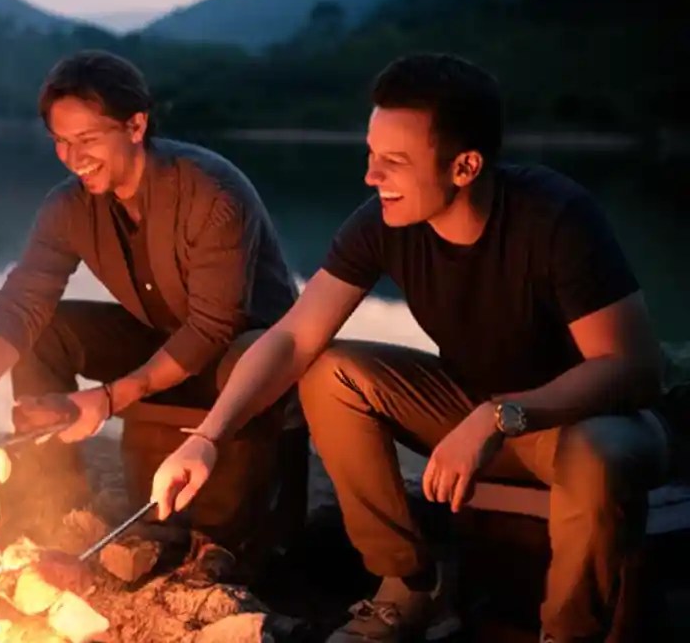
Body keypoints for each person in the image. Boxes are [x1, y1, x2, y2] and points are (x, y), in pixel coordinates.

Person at [151, 53, 671, 643]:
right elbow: (294, 337)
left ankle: (568, 634)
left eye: (393, 162)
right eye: (371, 155)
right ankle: (409, 584)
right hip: (472, 410)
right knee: (330, 371)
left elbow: (633, 368)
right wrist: (208, 438)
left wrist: (500, 416)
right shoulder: (381, 222)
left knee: (597, 451)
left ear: (465, 166)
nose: (372, 177)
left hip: (586, 423)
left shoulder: (555, 217)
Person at [0, 50, 302, 566]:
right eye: (60, 141)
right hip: (165, 340)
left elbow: (212, 328)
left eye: (87, 139)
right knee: (46, 329)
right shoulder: (68, 206)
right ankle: (55, 498)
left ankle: (224, 531)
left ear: (136, 125)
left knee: (245, 353)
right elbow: (23, 297)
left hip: (246, 362)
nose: (73, 158)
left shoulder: (213, 193)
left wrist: (109, 398)